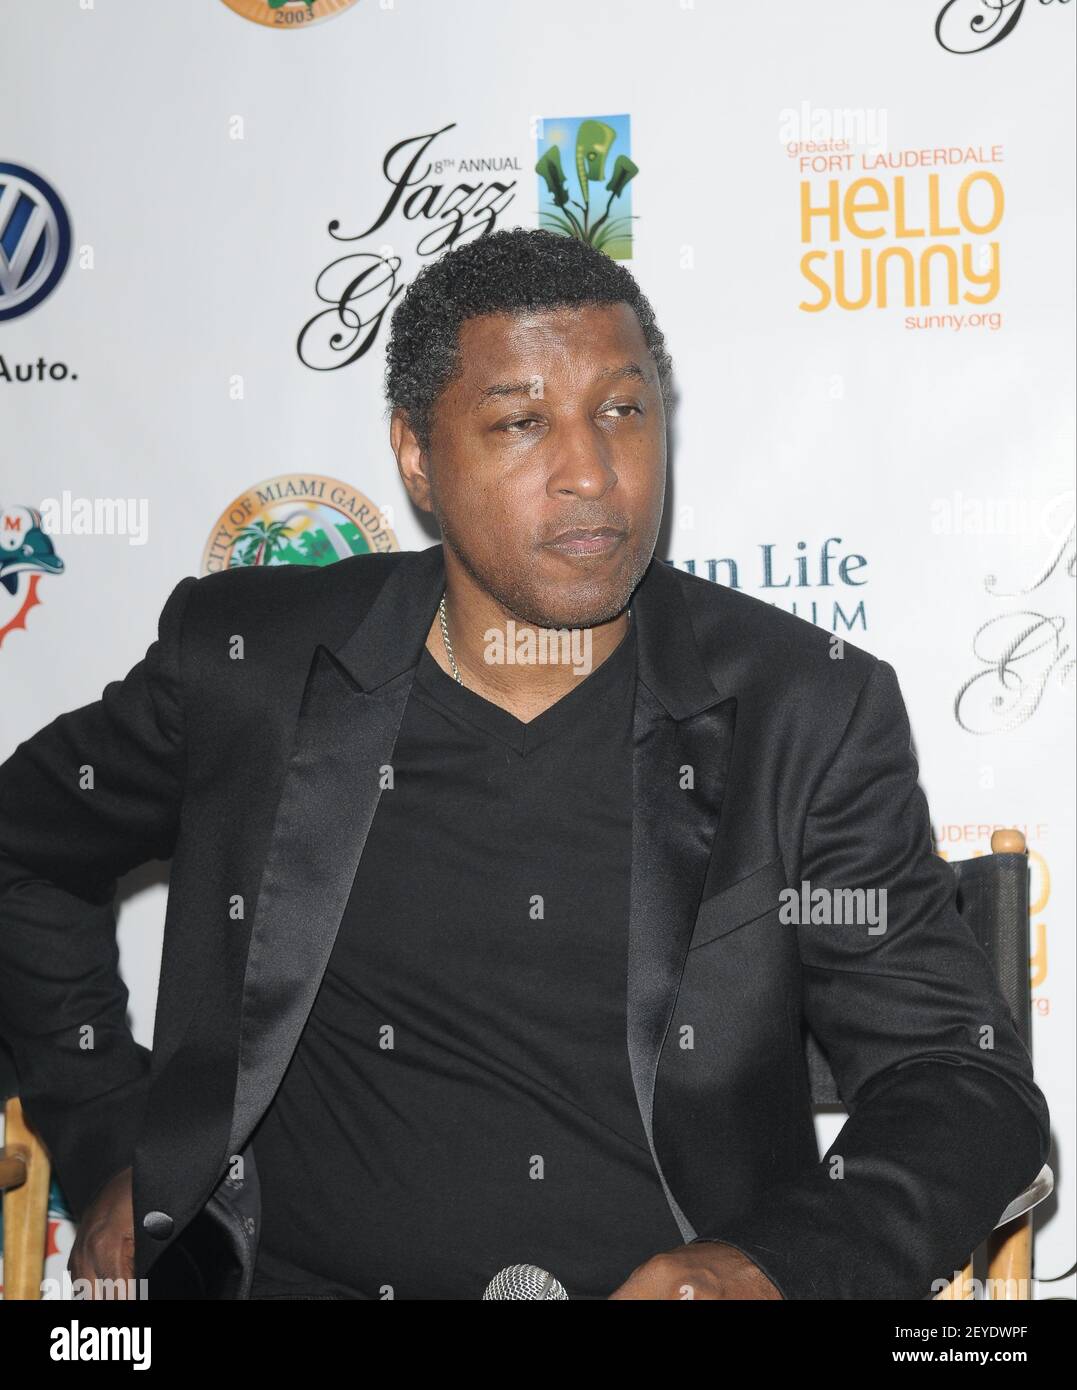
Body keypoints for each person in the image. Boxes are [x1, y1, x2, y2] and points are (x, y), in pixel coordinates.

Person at [0, 227, 1050, 1300]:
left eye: (622, 411)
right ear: (417, 453)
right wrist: (110, 1133)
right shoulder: (253, 669)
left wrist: (769, 1266)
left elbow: (959, 1077)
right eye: (520, 421)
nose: (590, 472)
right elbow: (22, 850)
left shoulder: (804, 707)